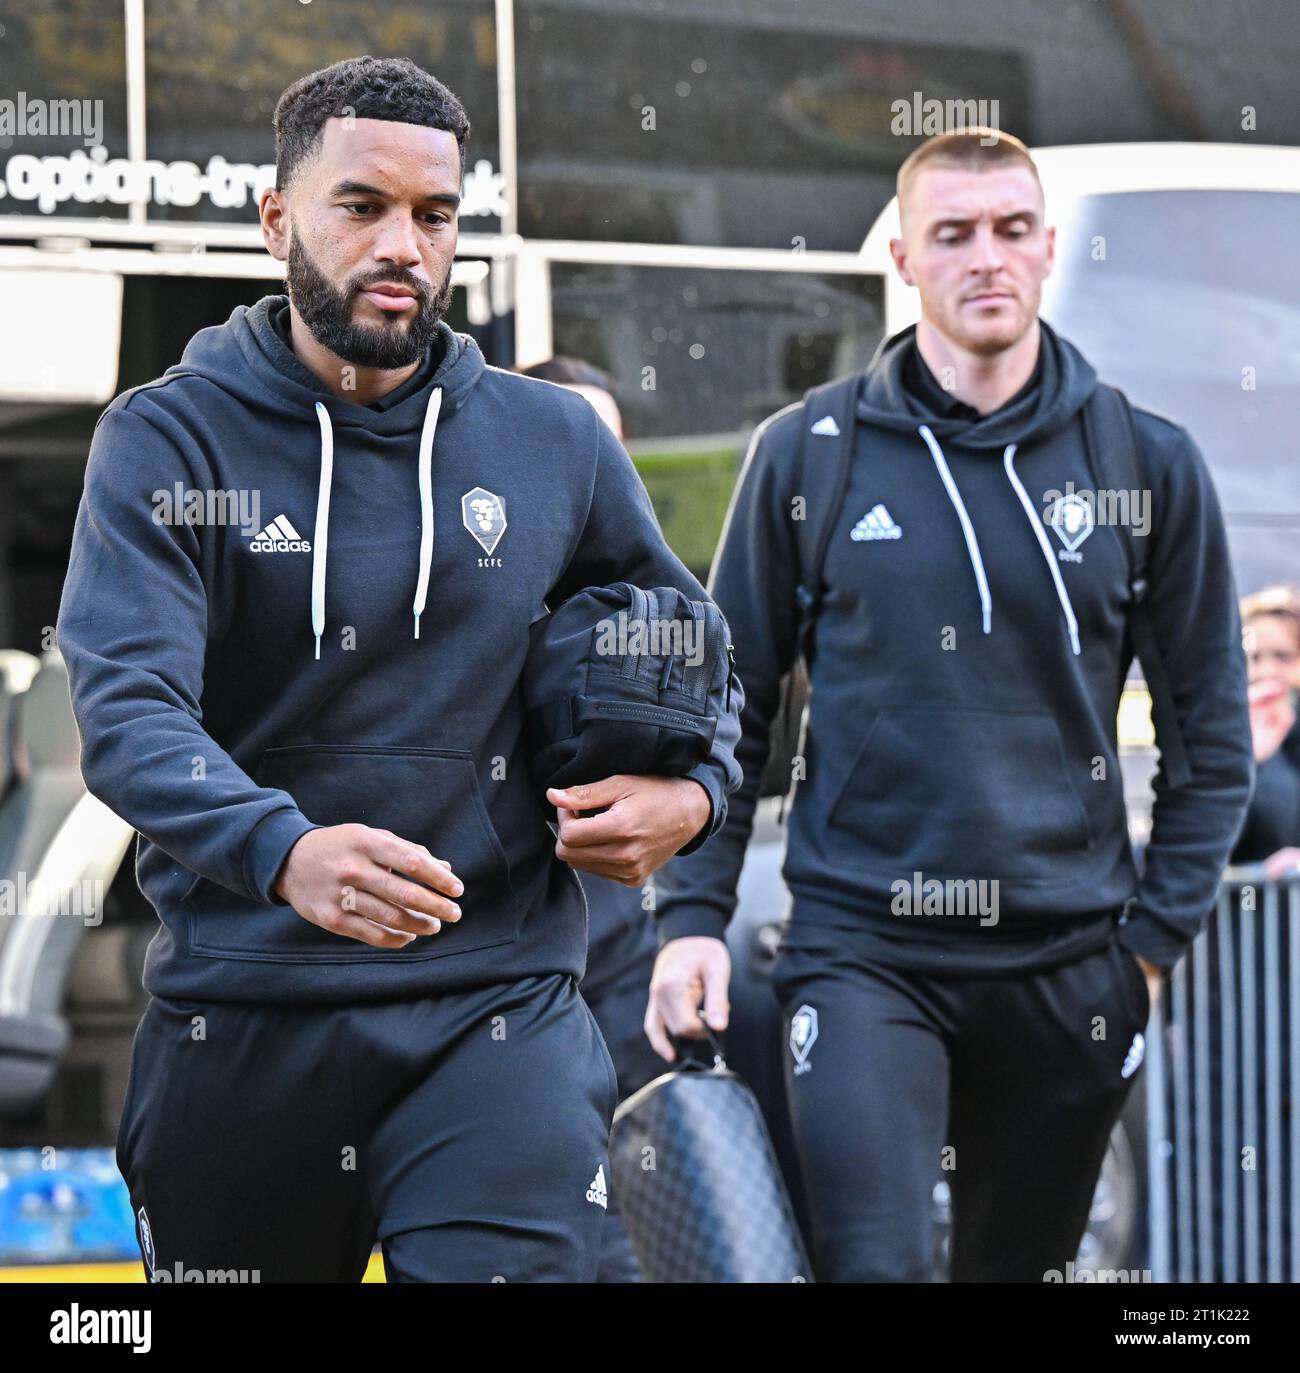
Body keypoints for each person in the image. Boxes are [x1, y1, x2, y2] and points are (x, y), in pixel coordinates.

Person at [56, 56, 740, 1284]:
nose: (402, 246)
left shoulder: (557, 442)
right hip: (244, 1011)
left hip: (497, 1011)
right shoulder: (164, 438)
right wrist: (283, 847)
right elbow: (126, 712)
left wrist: (691, 797)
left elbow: (693, 652)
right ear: (277, 220)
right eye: (361, 205)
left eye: (434, 216)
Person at [648, 127, 1253, 1282]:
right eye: (954, 234)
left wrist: (1153, 946)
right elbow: (723, 710)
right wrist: (689, 916)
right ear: (902, 257)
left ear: (1050, 247)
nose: (987, 257)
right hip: (860, 949)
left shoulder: (1145, 462)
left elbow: (1210, 738)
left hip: (1072, 962)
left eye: (1012, 230)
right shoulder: (808, 453)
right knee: (874, 1264)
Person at [519, 356, 668, 1283]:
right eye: (574, 442)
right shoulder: (460, 589)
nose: (594, 466)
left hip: (621, 971)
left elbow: (724, 739)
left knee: (626, 1246)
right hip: (497, 978)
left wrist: (690, 800)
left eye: (611, 447)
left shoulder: (654, 608)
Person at [1233, 584, 1300, 875]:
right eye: (1254, 658)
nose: (1265, 671)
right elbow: (1202, 840)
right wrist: (1249, 760)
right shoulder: (1224, 740)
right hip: (1247, 916)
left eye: (1282, 656)